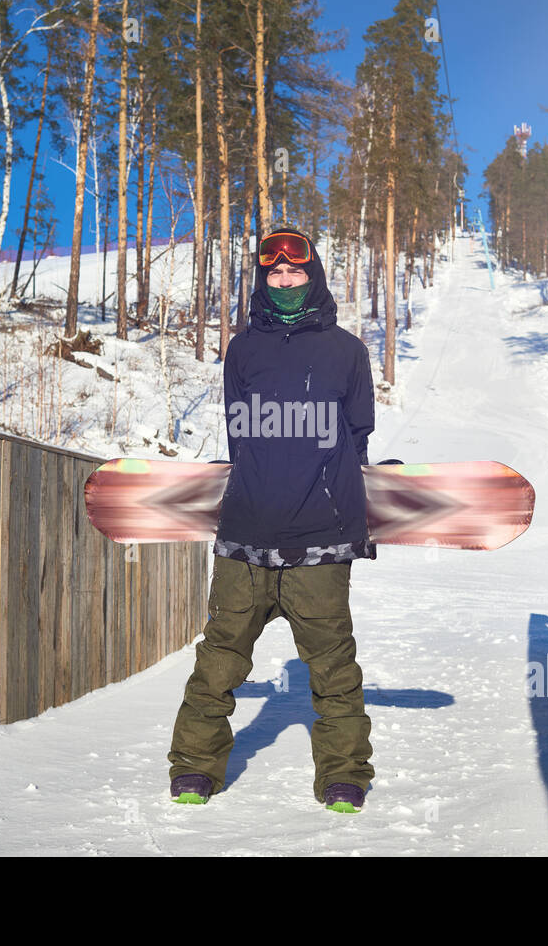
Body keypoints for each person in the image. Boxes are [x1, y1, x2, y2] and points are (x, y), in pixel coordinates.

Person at [167, 227, 378, 813]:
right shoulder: (243, 349)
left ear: (315, 275)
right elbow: (243, 432)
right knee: (217, 661)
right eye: (274, 273)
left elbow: (357, 433)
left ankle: (344, 775)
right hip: (246, 535)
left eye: (296, 271)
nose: (285, 280)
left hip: (321, 539)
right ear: (264, 279)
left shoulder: (347, 351)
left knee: (334, 668)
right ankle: (194, 768)